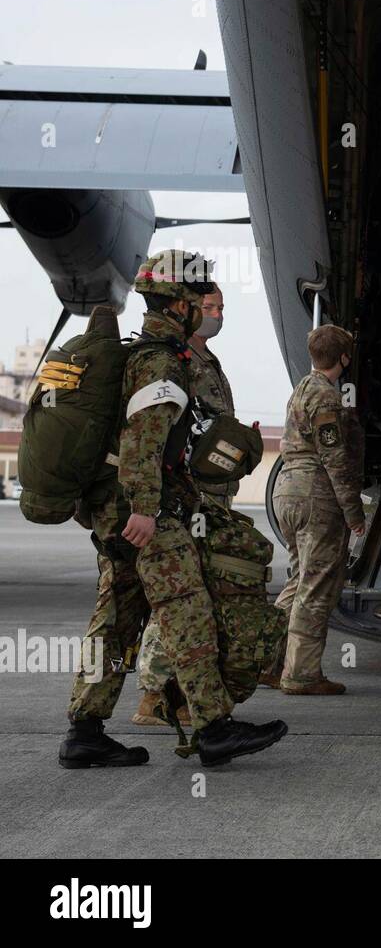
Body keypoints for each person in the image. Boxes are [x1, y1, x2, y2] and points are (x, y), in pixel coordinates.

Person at [60, 250, 287, 768]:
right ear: (181, 305)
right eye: (197, 299)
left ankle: (85, 730)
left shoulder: (139, 354)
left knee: (115, 625)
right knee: (188, 611)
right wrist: (144, 508)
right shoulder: (161, 361)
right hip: (148, 518)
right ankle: (214, 727)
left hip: (116, 515)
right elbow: (145, 438)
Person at [132, 283, 234, 726]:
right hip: (189, 493)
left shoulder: (200, 359)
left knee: (196, 593)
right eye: (208, 307)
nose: (214, 314)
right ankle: (154, 695)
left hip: (209, 490)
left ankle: (178, 697)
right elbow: (168, 433)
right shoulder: (175, 361)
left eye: (219, 307)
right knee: (178, 595)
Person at [271, 325, 366, 695]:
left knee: (297, 582)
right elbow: (334, 457)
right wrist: (353, 512)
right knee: (316, 586)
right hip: (315, 496)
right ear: (343, 357)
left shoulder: (301, 389)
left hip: (288, 492)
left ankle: (269, 661)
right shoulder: (326, 397)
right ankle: (302, 674)